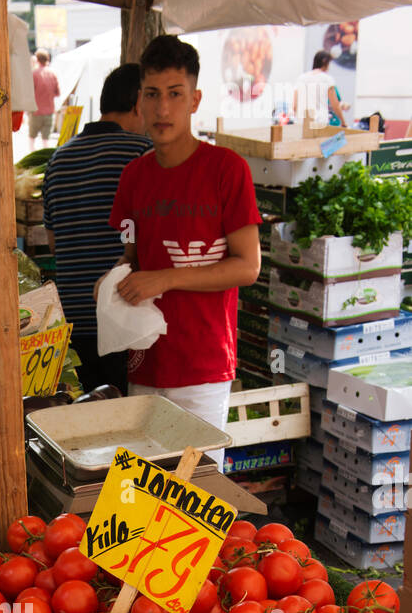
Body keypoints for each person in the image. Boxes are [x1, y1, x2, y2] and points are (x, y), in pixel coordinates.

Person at [105, 35, 261, 462]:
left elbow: (248, 267)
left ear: (195, 100)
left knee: (199, 497)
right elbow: (131, 256)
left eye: (175, 94)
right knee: (143, 496)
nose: (163, 108)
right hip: (145, 362)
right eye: (153, 95)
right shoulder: (133, 177)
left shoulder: (227, 169)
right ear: (139, 100)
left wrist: (167, 277)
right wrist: (115, 279)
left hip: (203, 367)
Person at [43, 63, 151, 393]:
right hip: (123, 319)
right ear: (137, 104)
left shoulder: (58, 159)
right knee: (126, 420)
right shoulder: (142, 154)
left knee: (88, 418)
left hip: (73, 321)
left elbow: (53, 244)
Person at [294, 51, 347, 128]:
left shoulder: (301, 79)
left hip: (301, 122)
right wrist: (343, 122)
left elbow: (295, 105)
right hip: (320, 121)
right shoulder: (327, 79)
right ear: (325, 62)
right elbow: (335, 104)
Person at [29, 49, 59, 150]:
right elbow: (57, 92)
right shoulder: (53, 73)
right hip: (49, 111)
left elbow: (30, 93)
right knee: (46, 140)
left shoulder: (34, 74)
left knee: (32, 138)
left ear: (37, 60)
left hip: (36, 111)